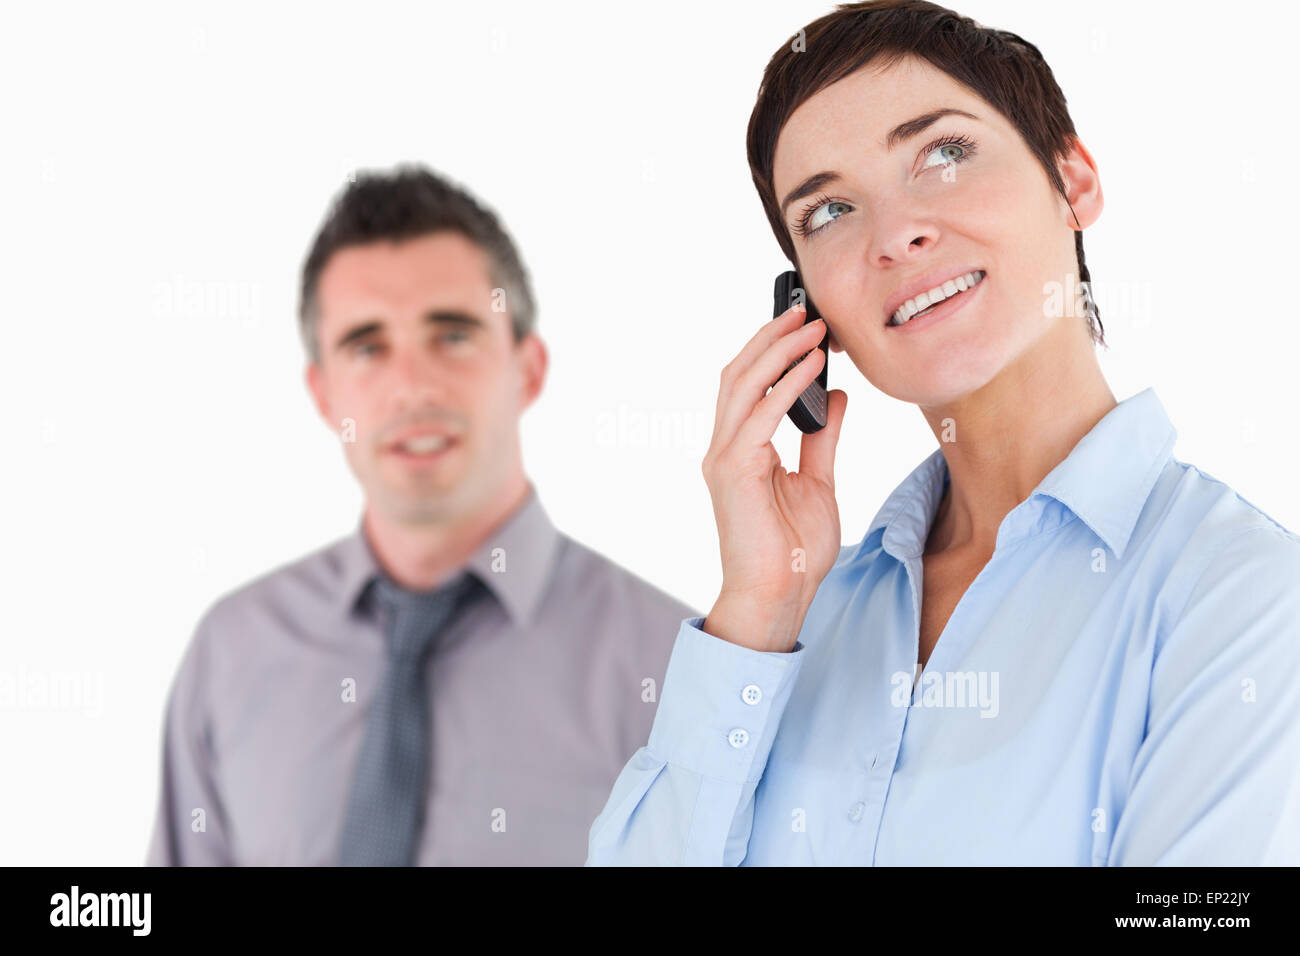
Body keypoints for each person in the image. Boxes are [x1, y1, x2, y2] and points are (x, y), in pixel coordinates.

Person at [587, 0, 1300, 865]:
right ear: (808, 307)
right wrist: (756, 615)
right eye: (828, 213)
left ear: (1072, 181)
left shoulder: (1246, 599)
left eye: (943, 154)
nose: (895, 235)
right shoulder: (805, 621)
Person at [147, 164, 697, 866]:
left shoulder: (673, 671)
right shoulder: (232, 653)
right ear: (323, 394)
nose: (411, 386)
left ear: (528, 368)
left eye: (454, 333)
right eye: (367, 346)